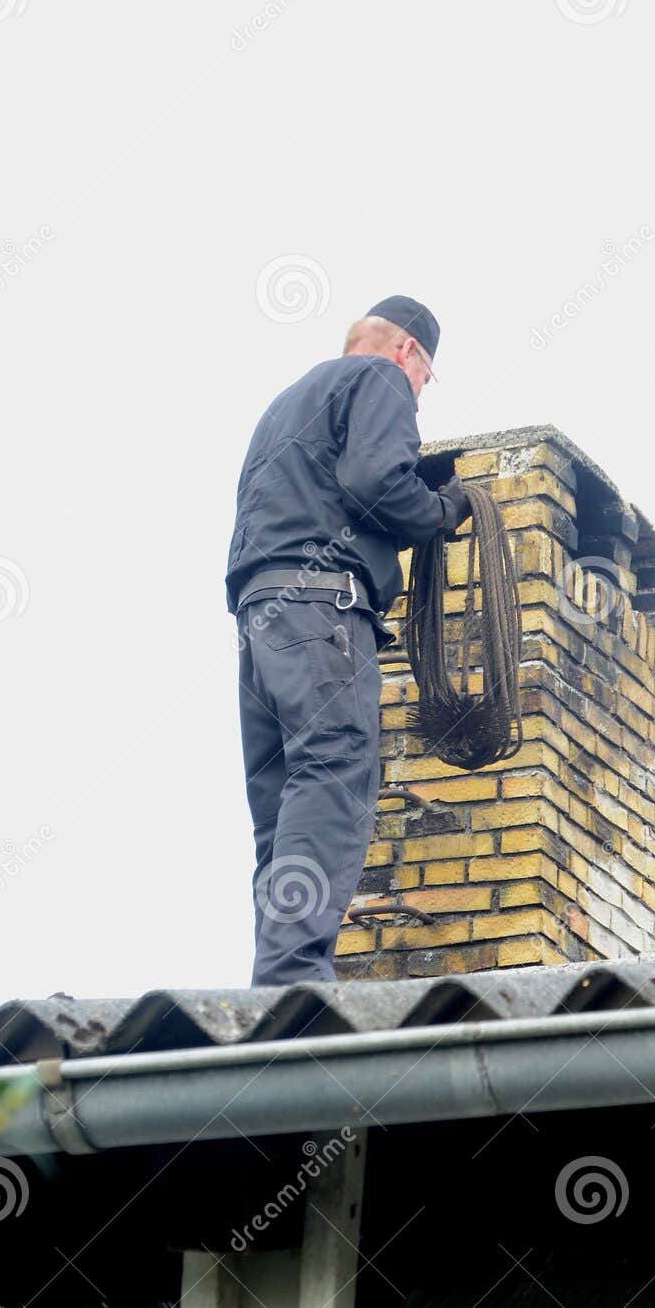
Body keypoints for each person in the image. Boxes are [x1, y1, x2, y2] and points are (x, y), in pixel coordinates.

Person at [226, 295, 470, 986]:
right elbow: (373, 481)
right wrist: (440, 510)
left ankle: (276, 979)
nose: (417, 398)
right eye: (426, 381)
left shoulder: (287, 404)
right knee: (335, 771)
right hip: (322, 611)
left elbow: (331, 489)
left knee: (283, 808)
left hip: (261, 618)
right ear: (407, 353)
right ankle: (296, 976)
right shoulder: (380, 380)